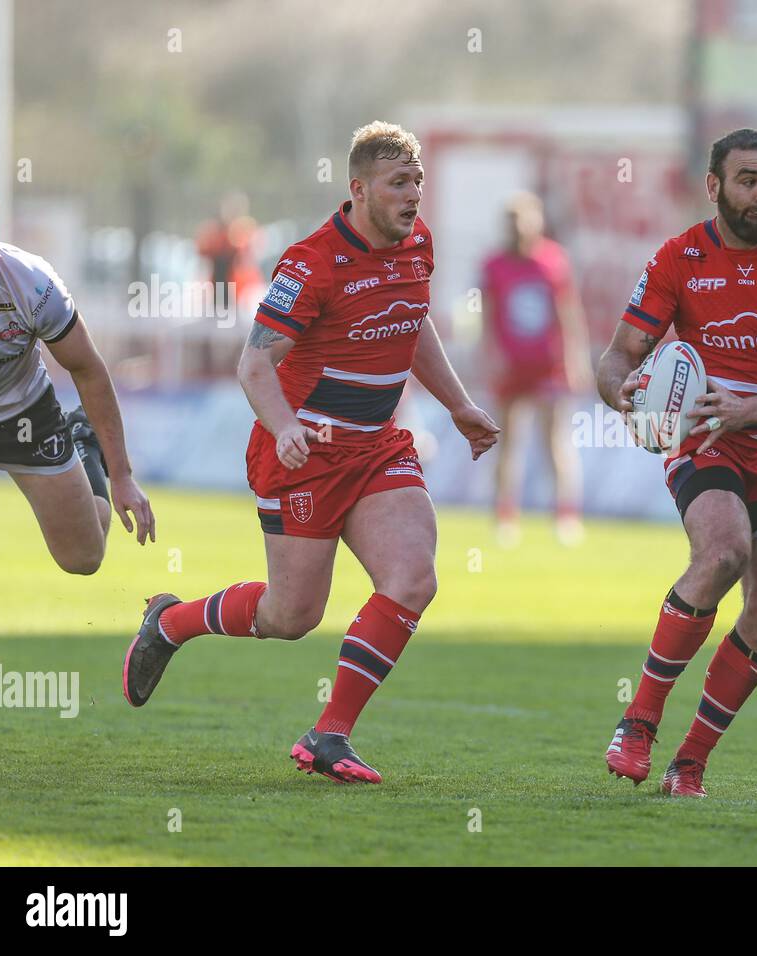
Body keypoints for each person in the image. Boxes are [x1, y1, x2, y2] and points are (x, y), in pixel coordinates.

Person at [122, 122, 500, 783]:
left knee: (413, 578)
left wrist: (459, 402)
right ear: (359, 189)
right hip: (305, 454)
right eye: (398, 184)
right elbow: (253, 365)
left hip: (379, 447)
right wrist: (287, 427)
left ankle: (330, 735)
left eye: (417, 182)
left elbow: (412, 325)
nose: (413, 195)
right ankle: (171, 622)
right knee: (290, 616)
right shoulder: (311, 261)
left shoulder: (419, 246)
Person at [597, 128, 757, 797]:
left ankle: (691, 761)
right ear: (713, 186)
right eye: (748, 180)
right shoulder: (679, 258)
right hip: (705, 439)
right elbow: (618, 357)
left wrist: (748, 407)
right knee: (722, 553)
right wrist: (622, 396)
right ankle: (641, 720)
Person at [0, 180, 155, 752]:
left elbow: (90, 370)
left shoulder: (30, 283)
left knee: (84, 558)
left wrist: (123, 476)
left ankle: (85, 447)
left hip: (21, 414)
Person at [481, 192, 591, 546]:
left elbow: (568, 313)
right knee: (507, 442)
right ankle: (505, 516)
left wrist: (576, 359)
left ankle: (565, 516)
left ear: (537, 222)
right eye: (512, 223)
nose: (518, 229)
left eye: (523, 221)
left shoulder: (553, 261)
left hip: (549, 366)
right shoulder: (494, 265)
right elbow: (486, 315)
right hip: (511, 367)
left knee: (555, 442)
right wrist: (489, 354)